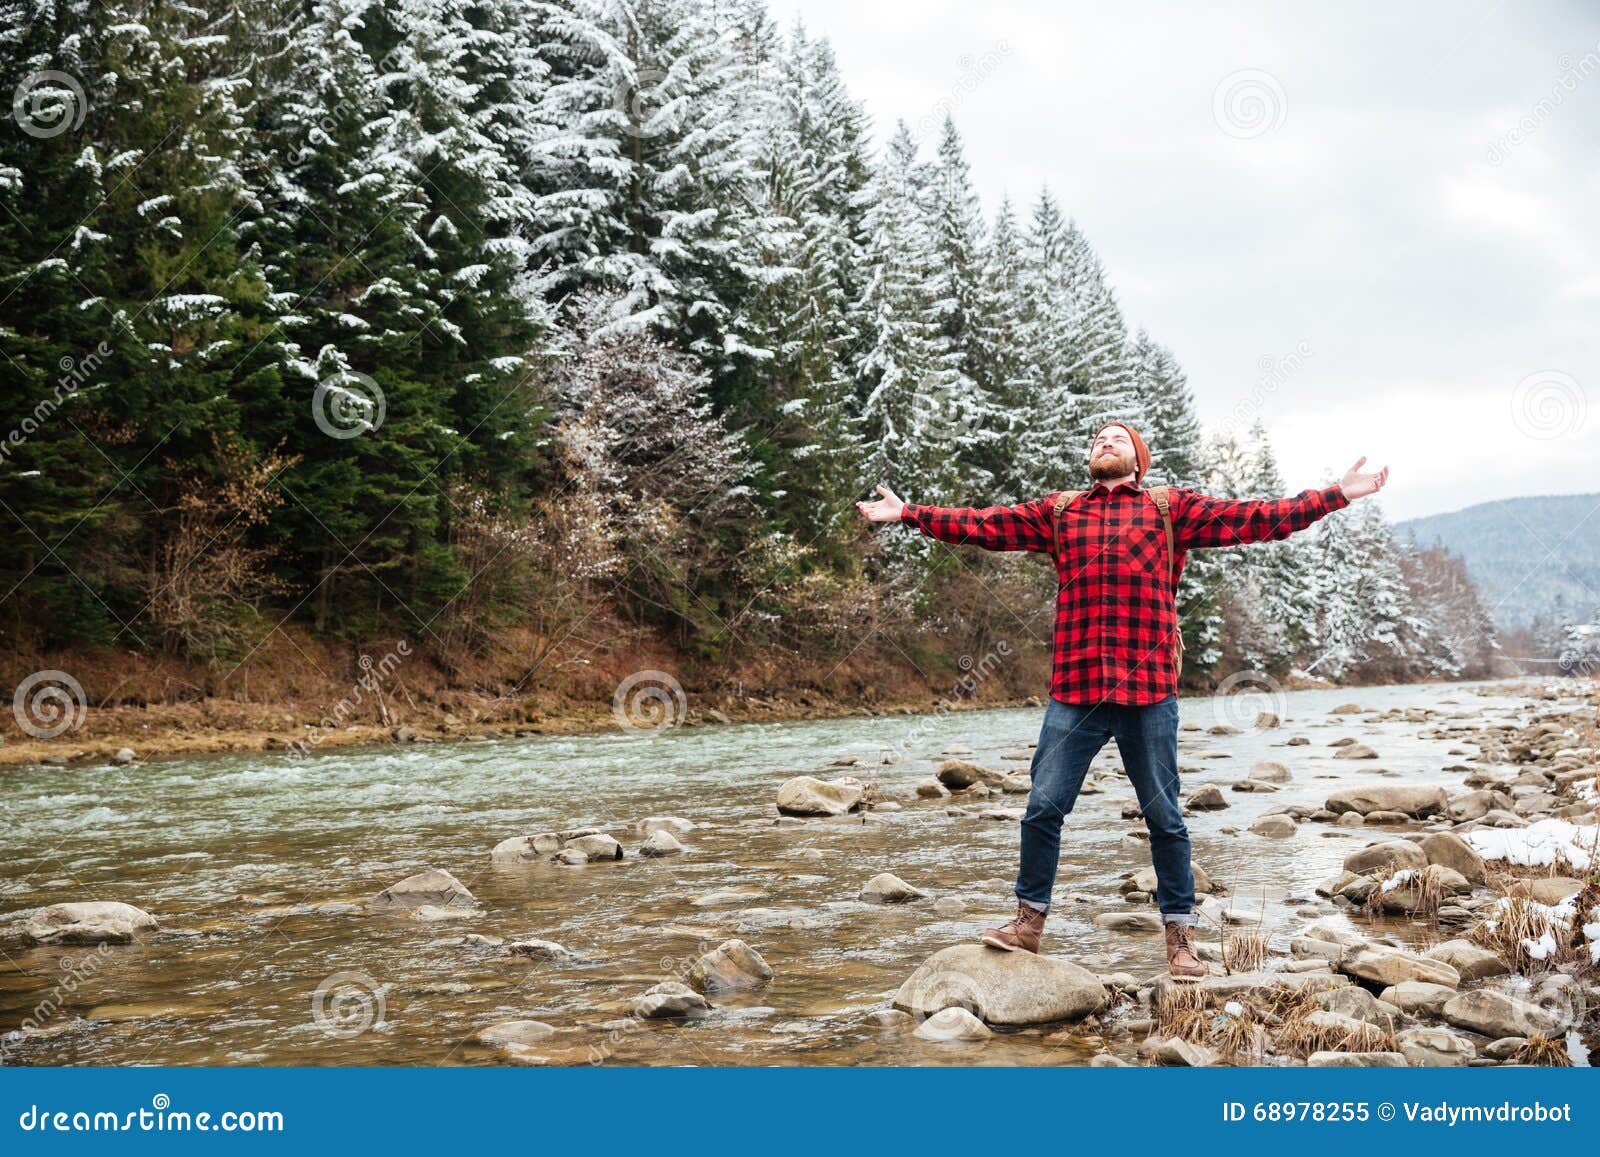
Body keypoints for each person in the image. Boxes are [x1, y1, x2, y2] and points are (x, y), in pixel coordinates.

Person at [856, 421, 1388, 978]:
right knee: (1042, 808)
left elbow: (1257, 519)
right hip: (1075, 691)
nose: (1103, 444)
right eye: (1096, 441)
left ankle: (1180, 940)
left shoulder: (1168, 509)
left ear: (1138, 461)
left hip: (1149, 691)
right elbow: (984, 525)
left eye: (1116, 440)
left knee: (1165, 818)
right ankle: (1028, 924)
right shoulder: (1060, 511)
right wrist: (909, 513)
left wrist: (1337, 495)